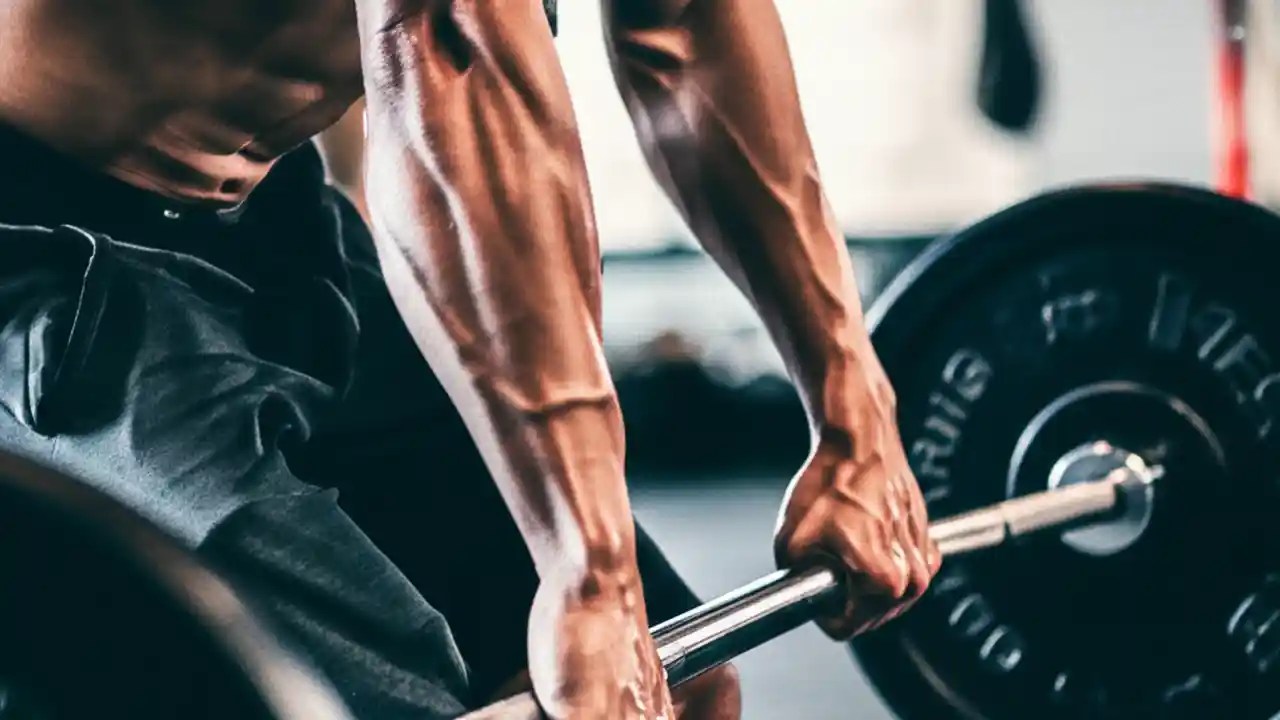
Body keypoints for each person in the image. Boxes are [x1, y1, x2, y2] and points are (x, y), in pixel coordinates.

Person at [0, 0, 939, 718]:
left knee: (678, 687)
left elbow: (686, 32)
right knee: (380, 689)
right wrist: (588, 566)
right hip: (30, 242)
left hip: (271, 222)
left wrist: (856, 415)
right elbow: (452, 58)